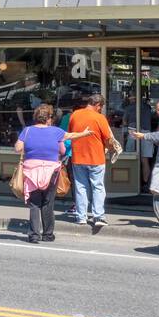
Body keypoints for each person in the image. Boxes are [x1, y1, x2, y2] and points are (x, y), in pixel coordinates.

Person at [15, 103, 93, 243]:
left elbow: (18, 148)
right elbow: (71, 137)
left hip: (31, 171)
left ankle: (33, 235)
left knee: (34, 204)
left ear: (36, 117)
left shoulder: (27, 131)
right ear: (49, 118)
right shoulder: (56, 132)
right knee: (48, 203)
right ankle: (48, 234)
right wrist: (85, 133)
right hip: (52, 171)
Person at [67, 93, 119, 233]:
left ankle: (81, 216)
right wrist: (111, 148)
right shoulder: (99, 117)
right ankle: (98, 216)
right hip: (96, 157)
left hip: (78, 156)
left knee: (80, 187)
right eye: (101, 107)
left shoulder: (75, 115)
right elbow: (108, 139)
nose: (101, 109)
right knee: (98, 187)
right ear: (98, 105)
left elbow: (70, 133)